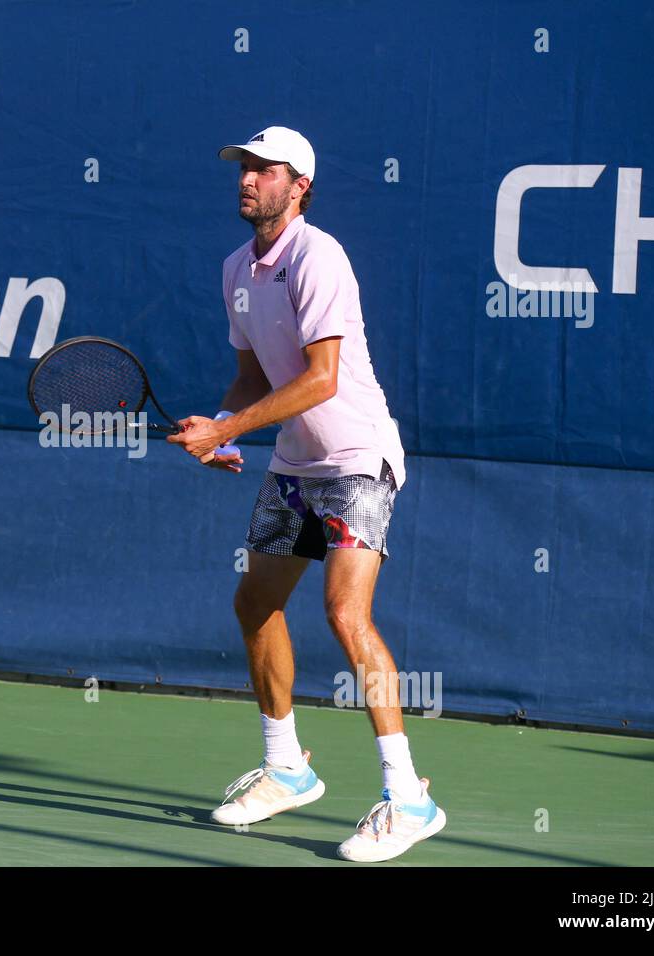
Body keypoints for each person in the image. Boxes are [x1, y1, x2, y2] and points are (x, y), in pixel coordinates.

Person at [167, 126, 446, 862]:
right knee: (254, 603)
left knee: (345, 614)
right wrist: (224, 431)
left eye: (265, 169)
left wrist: (229, 424)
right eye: (244, 168)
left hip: (356, 459)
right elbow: (256, 380)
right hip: (295, 465)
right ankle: (287, 767)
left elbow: (322, 379)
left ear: (301, 187)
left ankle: (409, 796)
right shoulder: (236, 268)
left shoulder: (318, 257)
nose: (248, 178)